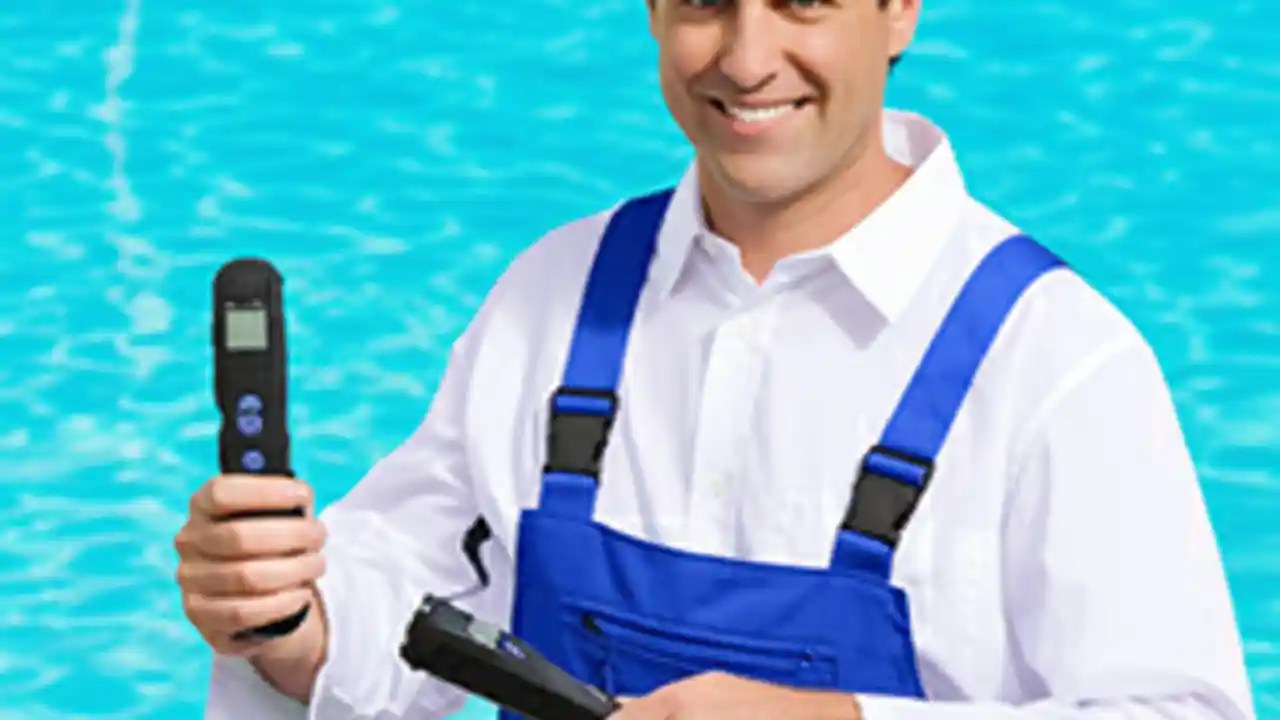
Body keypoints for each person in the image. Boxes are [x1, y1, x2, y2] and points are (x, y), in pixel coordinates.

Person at [175, 0, 1258, 718]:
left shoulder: (1054, 356)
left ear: (897, 11)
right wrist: (286, 620)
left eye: (801, 0)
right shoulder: (551, 294)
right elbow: (407, 602)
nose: (744, 59)